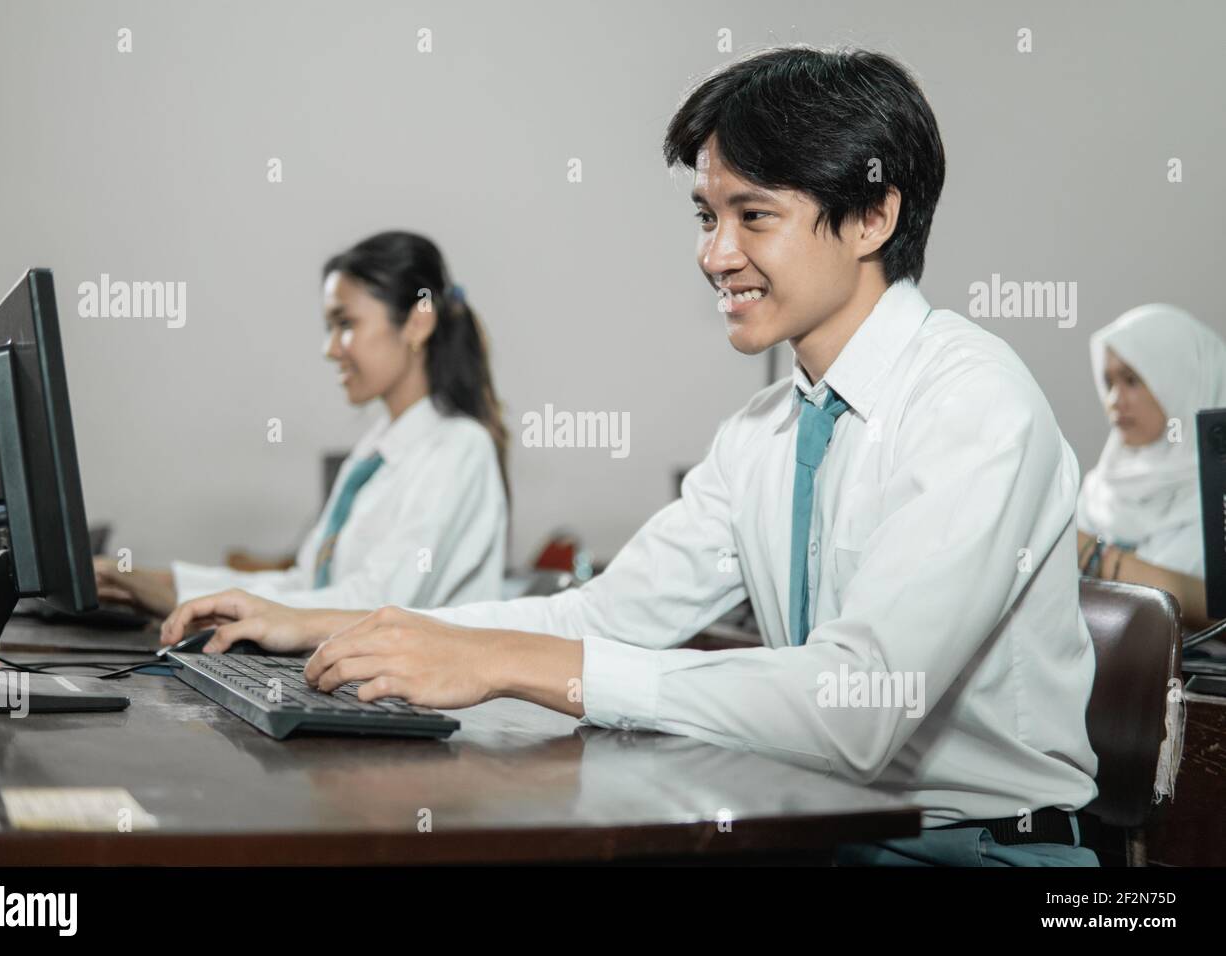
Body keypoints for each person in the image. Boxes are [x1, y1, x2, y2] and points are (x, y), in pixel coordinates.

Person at [162, 47, 1099, 866]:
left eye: (754, 216)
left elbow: (856, 709)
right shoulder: (764, 430)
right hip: (819, 832)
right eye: (705, 216)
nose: (713, 254)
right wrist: (353, 627)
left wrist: (507, 660)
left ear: (871, 216)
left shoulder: (973, 403)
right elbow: (610, 615)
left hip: (973, 853)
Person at [95, 231, 509, 616]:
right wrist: (161, 584)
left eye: (345, 324)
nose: (329, 349)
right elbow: (304, 584)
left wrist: (180, 598)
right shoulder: (374, 452)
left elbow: (376, 609)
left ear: (417, 322)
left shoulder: (459, 449)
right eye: (328, 328)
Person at [1077, 304, 1226, 629]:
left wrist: (1088, 552)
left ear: (1185, 380)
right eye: (1109, 381)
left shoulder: (1219, 492)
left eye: (1132, 380)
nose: (1114, 399)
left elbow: (1217, 613)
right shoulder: (1098, 489)